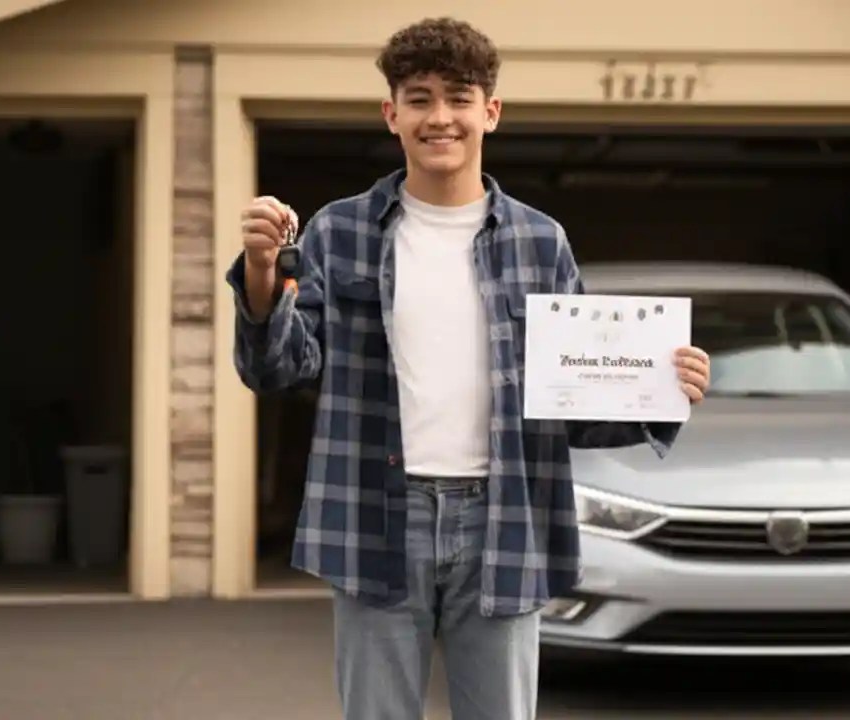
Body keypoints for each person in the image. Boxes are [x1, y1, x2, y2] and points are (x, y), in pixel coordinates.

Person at [225, 16, 711, 720]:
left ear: (491, 111)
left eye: (459, 97)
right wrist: (265, 275)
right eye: (419, 99)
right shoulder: (339, 231)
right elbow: (278, 370)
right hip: (372, 514)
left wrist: (662, 392)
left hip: (504, 515)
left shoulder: (541, 243)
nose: (440, 116)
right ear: (392, 115)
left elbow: (567, 398)